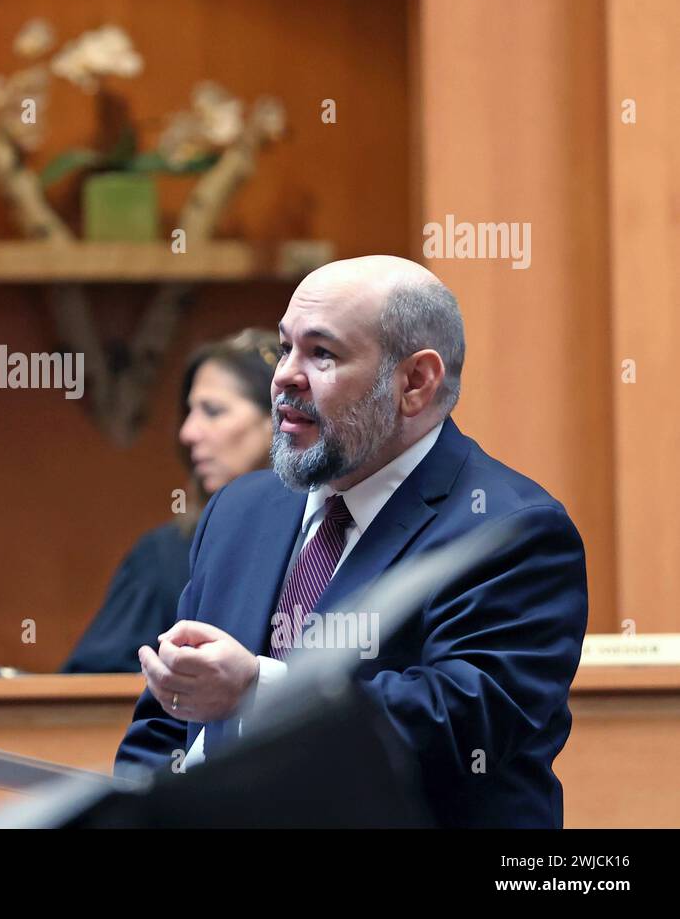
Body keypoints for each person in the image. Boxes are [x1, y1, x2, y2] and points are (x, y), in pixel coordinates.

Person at [114, 255, 588, 827]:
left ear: (415, 381)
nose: (286, 375)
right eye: (286, 346)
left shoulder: (510, 530)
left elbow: (461, 726)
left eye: (322, 354)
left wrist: (258, 690)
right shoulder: (240, 510)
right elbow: (168, 721)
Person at [61, 329, 275, 673]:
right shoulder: (165, 556)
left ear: (279, 420)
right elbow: (90, 692)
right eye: (190, 412)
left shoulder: (335, 542)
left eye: (213, 411)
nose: (187, 433)